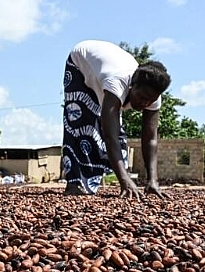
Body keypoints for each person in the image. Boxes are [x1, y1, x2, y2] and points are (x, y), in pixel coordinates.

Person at [61, 40, 172, 199]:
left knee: (116, 130)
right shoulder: (117, 82)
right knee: (80, 122)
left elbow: (150, 139)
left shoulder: (153, 96)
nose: (145, 103)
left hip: (105, 71)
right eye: (142, 97)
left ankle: (97, 182)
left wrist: (152, 180)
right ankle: (74, 184)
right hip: (80, 64)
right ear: (132, 86)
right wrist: (124, 179)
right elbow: (109, 135)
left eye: (150, 100)